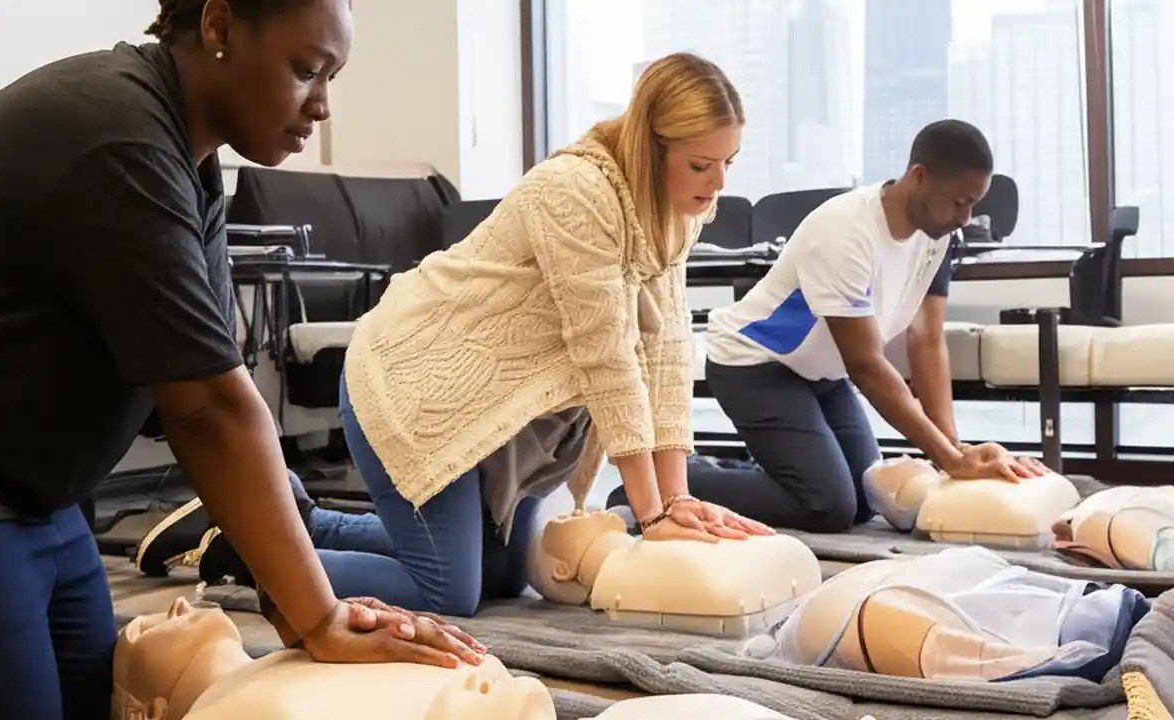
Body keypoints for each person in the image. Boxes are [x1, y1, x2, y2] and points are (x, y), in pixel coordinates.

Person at [0, 2, 481, 719]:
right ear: (219, 25)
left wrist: (294, 604)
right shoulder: (118, 137)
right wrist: (318, 617)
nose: (323, 105)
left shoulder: (187, 161)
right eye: (305, 70)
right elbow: (208, 407)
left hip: (35, 493)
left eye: (332, 76)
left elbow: (205, 390)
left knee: (98, 698)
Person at [149, 51, 775, 621]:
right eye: (700, 164)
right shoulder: (578, 189)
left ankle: (300, 520)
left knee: (503, 577)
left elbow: (663, 352)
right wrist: (653, 516)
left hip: (500, 416)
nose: (718, 183)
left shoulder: (676, 211)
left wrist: (679, 499)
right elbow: (607, 355)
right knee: (446, 591)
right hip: (415, 384)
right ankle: (235, 549)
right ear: (649, 146)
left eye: (728, 162)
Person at [621, 119, 1046, 534]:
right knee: (828, 506)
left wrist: (953, 452)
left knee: (864, 498)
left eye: (974, 204)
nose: (967, 217)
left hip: (821, 373)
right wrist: (952, 460)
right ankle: (657, 490)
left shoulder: (939, 236)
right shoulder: (847, 232)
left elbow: (927, 340)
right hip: (756, 364)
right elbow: (866, 364)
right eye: (960, 202)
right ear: (919, 176)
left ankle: (768, 470)